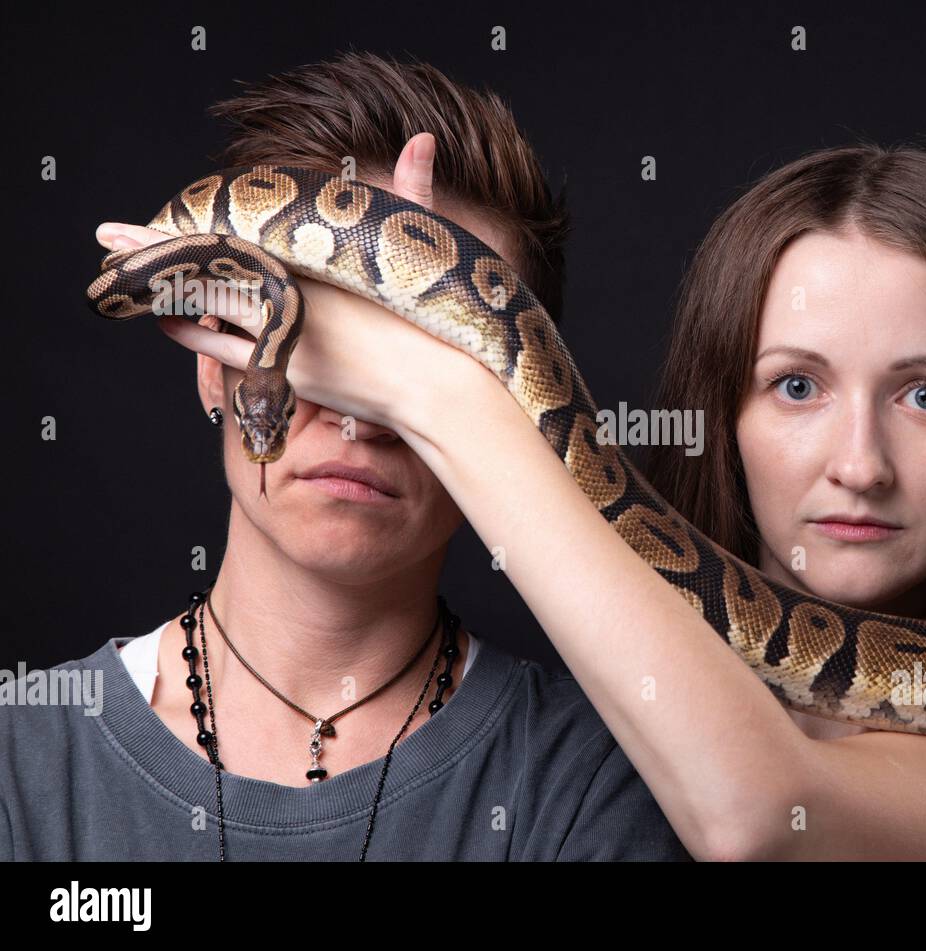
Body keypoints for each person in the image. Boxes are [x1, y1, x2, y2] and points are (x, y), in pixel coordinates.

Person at [79, 131, 926, 859]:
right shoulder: (595, 747)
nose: (859, 462)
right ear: (718, 415)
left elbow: (764, 814)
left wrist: (433, 376)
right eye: (795, 385)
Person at [0, 51, 692, 862]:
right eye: (327, 337)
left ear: (521, 408)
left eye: (429, 357)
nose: (362, 414)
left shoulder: (596, 780)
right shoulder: (24, 755)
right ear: (210, 358)